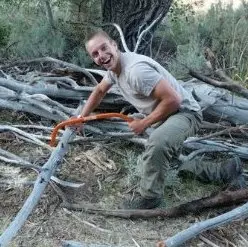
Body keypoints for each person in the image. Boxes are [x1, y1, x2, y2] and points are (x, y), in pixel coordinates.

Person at [79, 30, 245, 209]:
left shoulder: (136, 71)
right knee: (167, 165)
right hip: (167, 114)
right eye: (95, 54)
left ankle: (150, 199)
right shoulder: (114, 70)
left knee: (157, 144)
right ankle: (227, 170)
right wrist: (81, 117)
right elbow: (99, 91)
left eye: (104, 48)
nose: (101, 56)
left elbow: (174, 100)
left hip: (184, 113)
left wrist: (143, 123)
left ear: (114, 44)